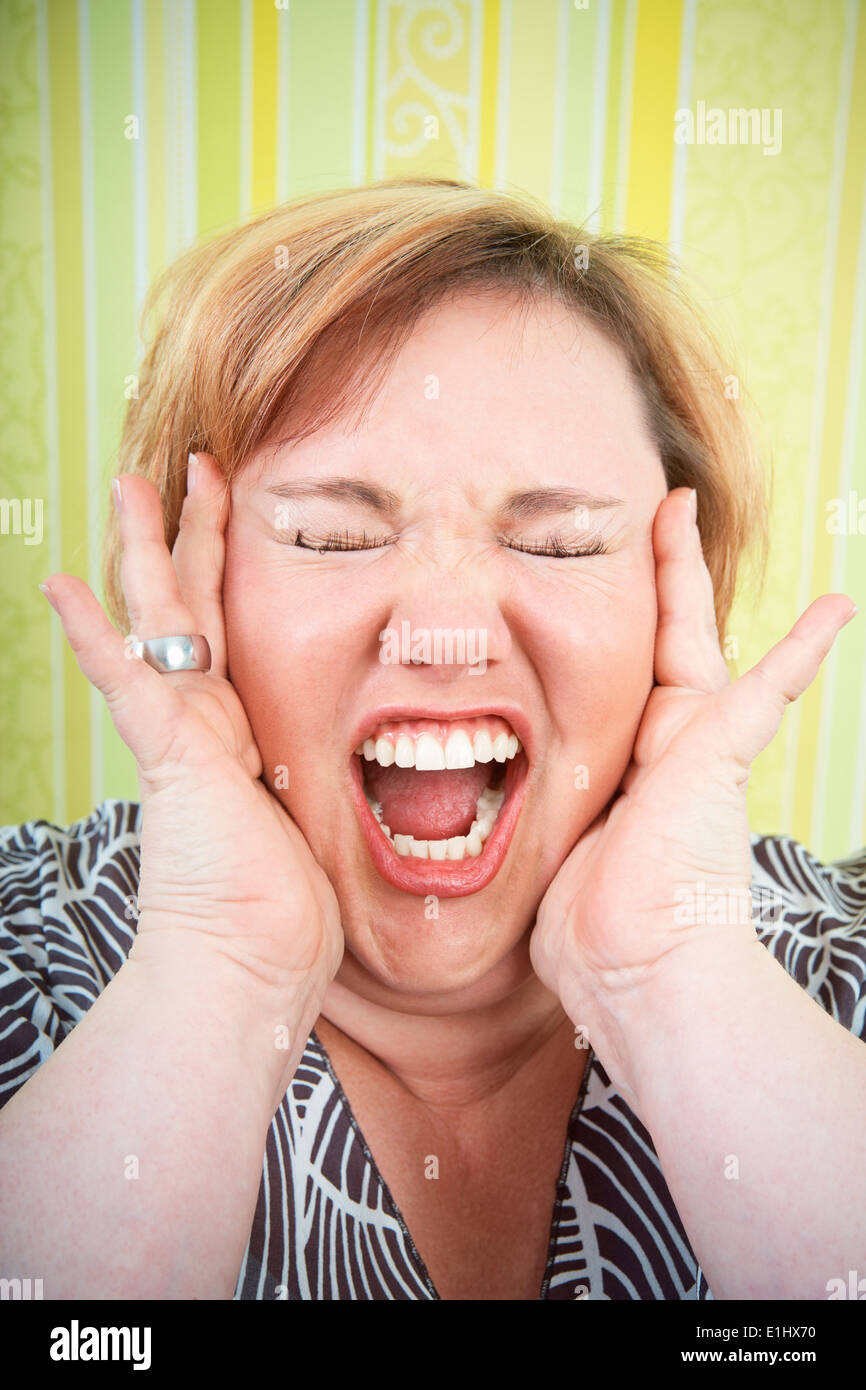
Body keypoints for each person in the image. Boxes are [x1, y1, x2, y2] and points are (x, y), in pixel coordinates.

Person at [1, 177, 864, 1301]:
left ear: (679, 597)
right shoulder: (24, 954)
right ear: (182, 584)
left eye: (558, 545)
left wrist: (669, 971)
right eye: (329, 533)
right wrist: (219, 965)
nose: (445, 634)